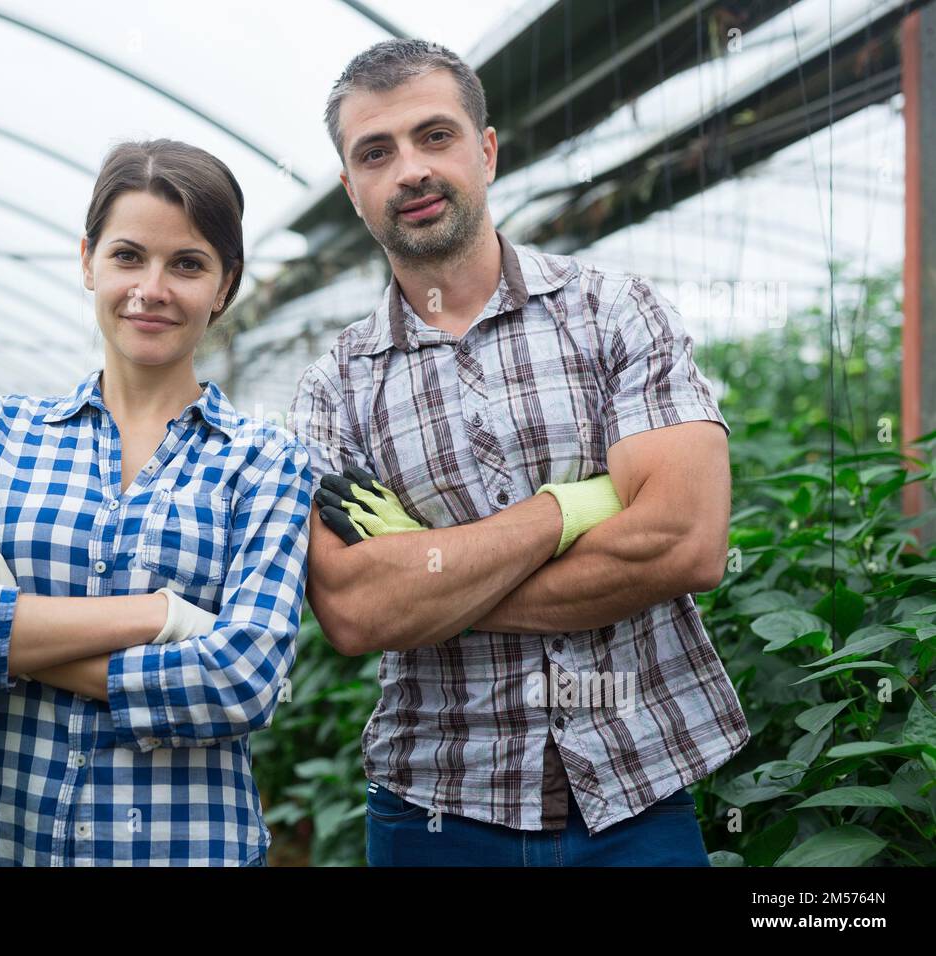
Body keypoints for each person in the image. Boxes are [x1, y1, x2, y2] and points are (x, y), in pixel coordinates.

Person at [289, 39, 749, 866]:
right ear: (354, 190)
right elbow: (358, 612)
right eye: (375, 153)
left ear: (487, 150)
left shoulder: (615, 313)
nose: (411, 171)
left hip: (634, 794)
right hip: (434, 806)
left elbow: (685, 542)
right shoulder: (334, 388)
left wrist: (427, 572)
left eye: (436, 136)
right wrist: (574, 509)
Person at [0, 138, 312, 867]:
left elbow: (243, 678)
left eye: (188, 264)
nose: (152, 288)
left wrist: (10, 645)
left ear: (225, 284)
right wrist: (165, 617)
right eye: (127, 256)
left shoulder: (265, 460)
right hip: (0, 838)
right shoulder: (0, 435)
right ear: (87, 261)